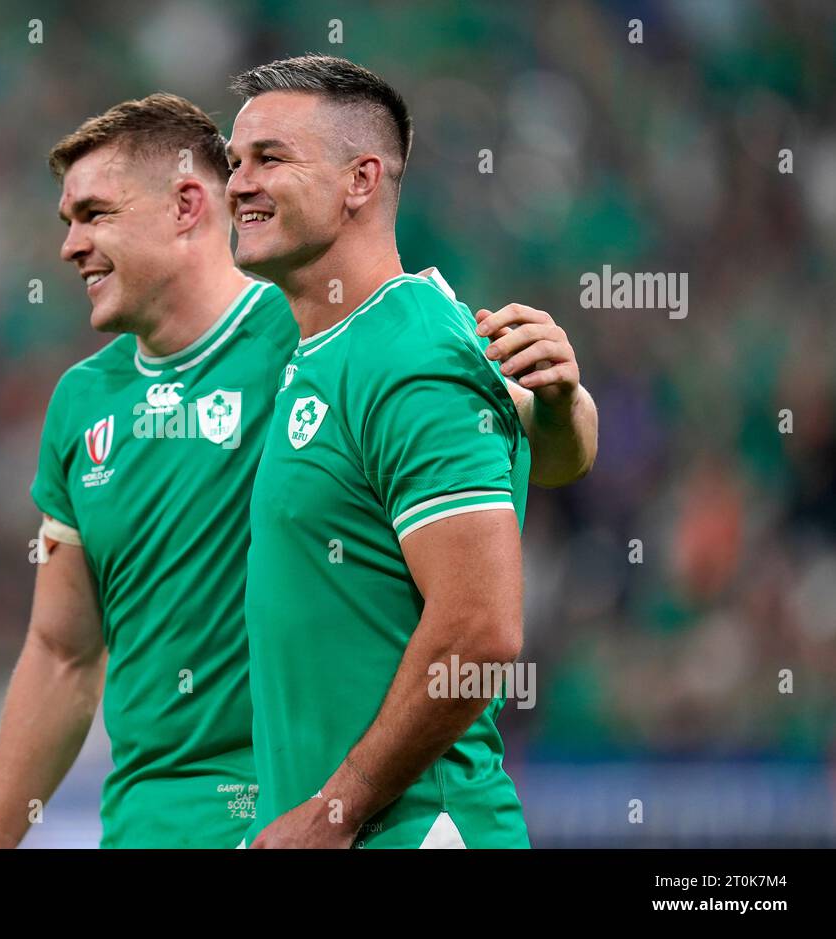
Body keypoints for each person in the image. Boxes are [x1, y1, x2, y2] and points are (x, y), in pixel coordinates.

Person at [0, 90, 595, 848]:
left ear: (184, 206)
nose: (70, 245)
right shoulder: (81, 402)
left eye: (94, 214)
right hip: (146, 821)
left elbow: (529, 429)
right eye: (66, 221)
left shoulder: (317, 325)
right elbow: (62, 651)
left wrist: (566, 403)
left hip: (298, 803)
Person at [226, 55, 592, 848]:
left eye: (269, 158)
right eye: (234, 161)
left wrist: (335, 810)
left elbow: (483, 628)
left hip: (418, 829)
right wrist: (562, 408)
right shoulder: (338, 345)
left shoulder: (411, 351)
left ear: (361, 180)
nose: (236, 184)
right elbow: (553, 449)